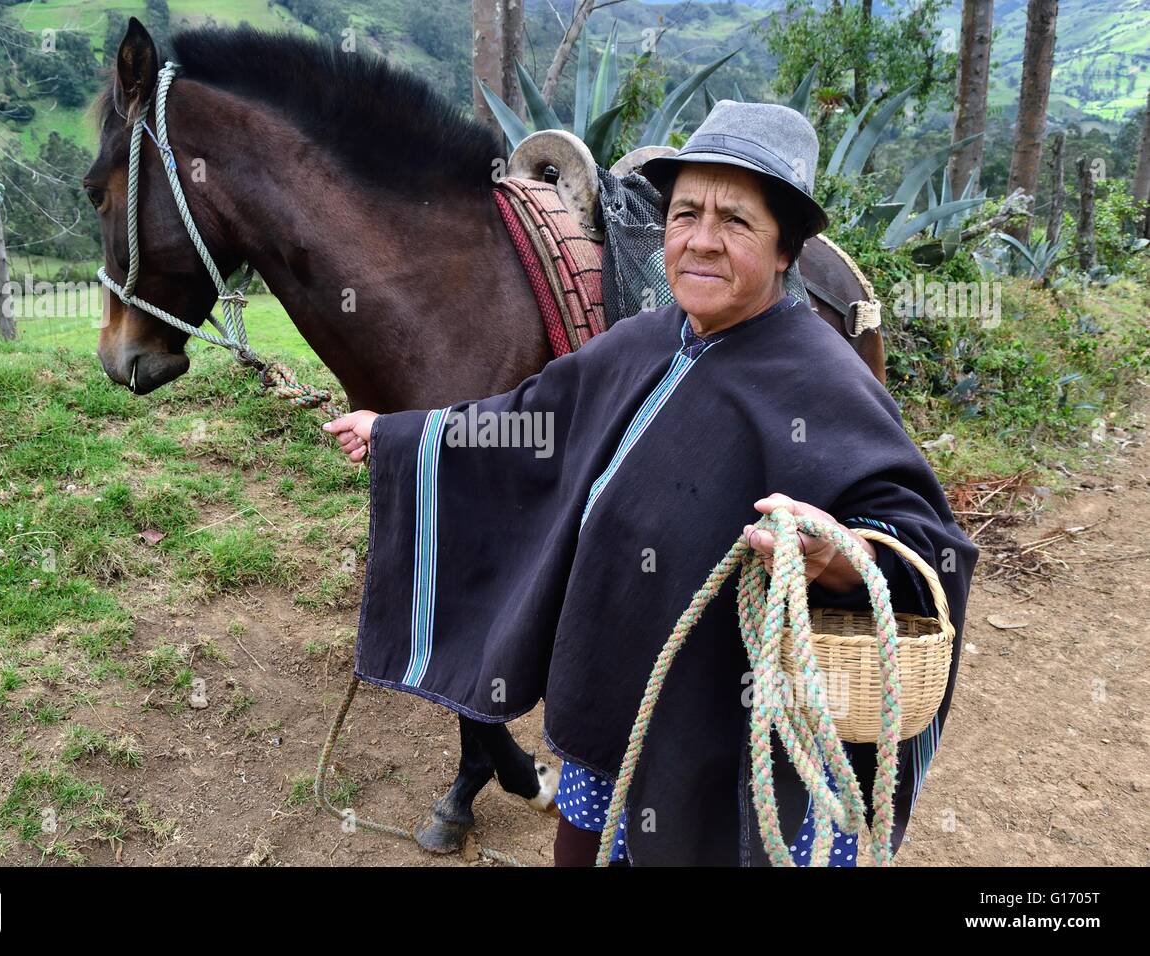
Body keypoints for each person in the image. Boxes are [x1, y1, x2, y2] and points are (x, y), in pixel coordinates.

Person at [323, 100, 977, 866]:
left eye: (735, 221)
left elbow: (930, 547)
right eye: (685, 213)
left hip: (729, 743)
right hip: (612, 715)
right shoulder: (641, 341)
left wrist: (835, 559)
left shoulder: (824, 383)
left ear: (786, 251)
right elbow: (533, 422)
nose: (700, 240)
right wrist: (403, 436)